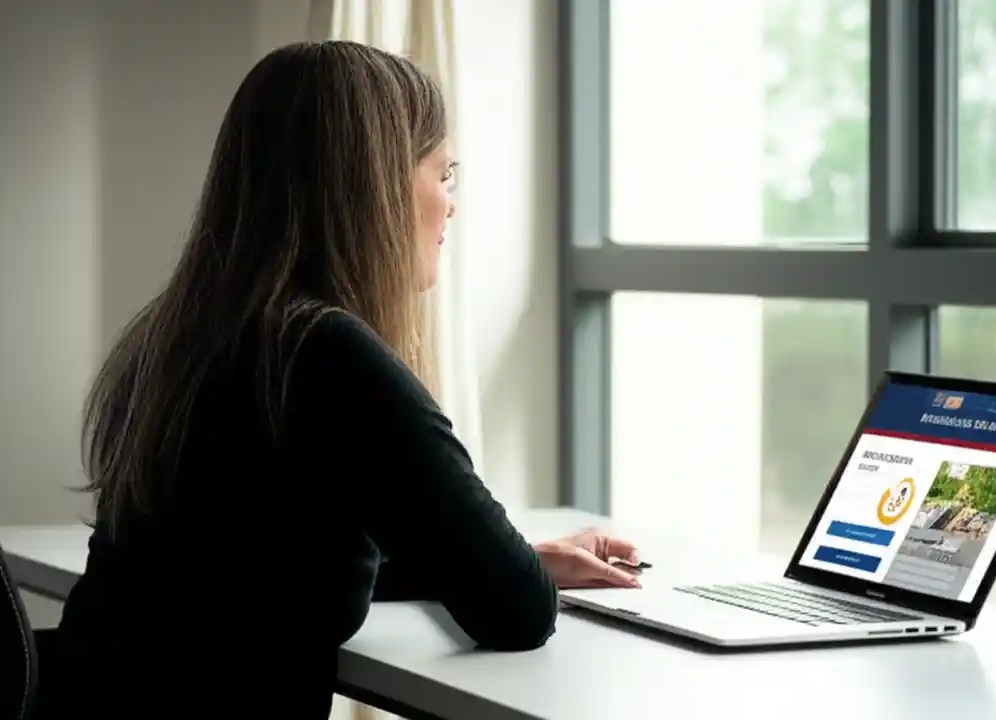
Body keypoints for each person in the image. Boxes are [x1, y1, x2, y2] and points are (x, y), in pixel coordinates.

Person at [44, 41, 640, 717]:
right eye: (443, 175)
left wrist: (506, 557)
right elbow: (518, 610)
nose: (451, 206)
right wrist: (510, 568)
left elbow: (263, 569)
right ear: (377, 187)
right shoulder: (328, 354)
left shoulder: (181, 338)